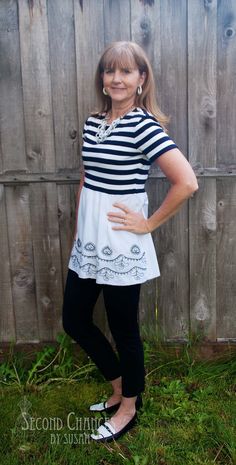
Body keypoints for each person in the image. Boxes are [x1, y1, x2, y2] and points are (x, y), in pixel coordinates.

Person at [62, 41, 198, 443]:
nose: (116, 79)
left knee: (124, 330)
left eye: (126, 72)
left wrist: (147, 224)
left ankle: (129, 406)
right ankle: (119, 384)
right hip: (88, 244)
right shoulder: (92, 122)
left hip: (121, 246)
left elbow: (186, 182)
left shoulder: (144, 125)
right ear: (102, 80)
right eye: (110, 71)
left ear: (141, 79)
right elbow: (87, 180)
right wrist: (78, 231)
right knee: (75, 320)